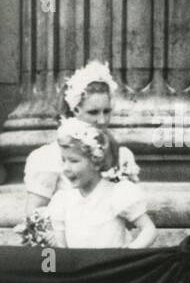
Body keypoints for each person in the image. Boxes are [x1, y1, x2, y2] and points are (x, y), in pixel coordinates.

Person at [25, 61, 139, 214]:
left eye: (106, 111)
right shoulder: (49, 157)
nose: (102, 120)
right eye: (93, 112)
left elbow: (132, 209)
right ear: (75, 110)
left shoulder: (121, 155)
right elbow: (34, 215)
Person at [47, 119, 155, 249]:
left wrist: (127, 253)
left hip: (112, 261)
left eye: (74, 161)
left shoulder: (116, 194)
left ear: (96, 162)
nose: (66, 168)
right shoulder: (63, 201)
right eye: (63, 160)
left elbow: (149, 230)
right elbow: (63, 249)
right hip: (78, 262)